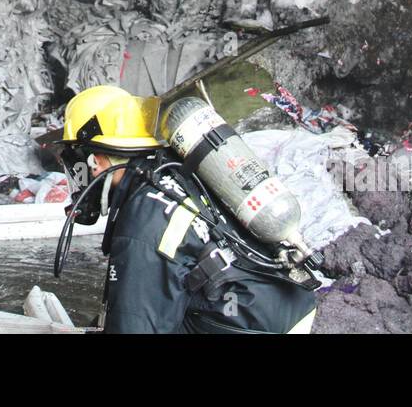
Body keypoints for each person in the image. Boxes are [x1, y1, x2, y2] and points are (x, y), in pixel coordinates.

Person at [52, 85, 318, 334]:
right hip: (283, 305)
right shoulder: (171, 171)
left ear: (95, 161)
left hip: (258, 323)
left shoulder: (143, 222)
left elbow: (135, 325)